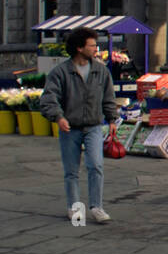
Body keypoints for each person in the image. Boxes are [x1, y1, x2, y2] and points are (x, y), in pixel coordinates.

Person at [40, 28, 120, 224]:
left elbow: (109, 98)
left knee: (96, 165)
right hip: (70, 128)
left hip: (93, 126)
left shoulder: (101, 71)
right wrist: (59, 117)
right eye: (92, 45)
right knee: (71, 171)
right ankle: (74, 207)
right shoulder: (61, 72)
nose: (95, 49)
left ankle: (97, 207)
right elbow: (48, 99)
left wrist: (111, 120)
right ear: (79, 48)